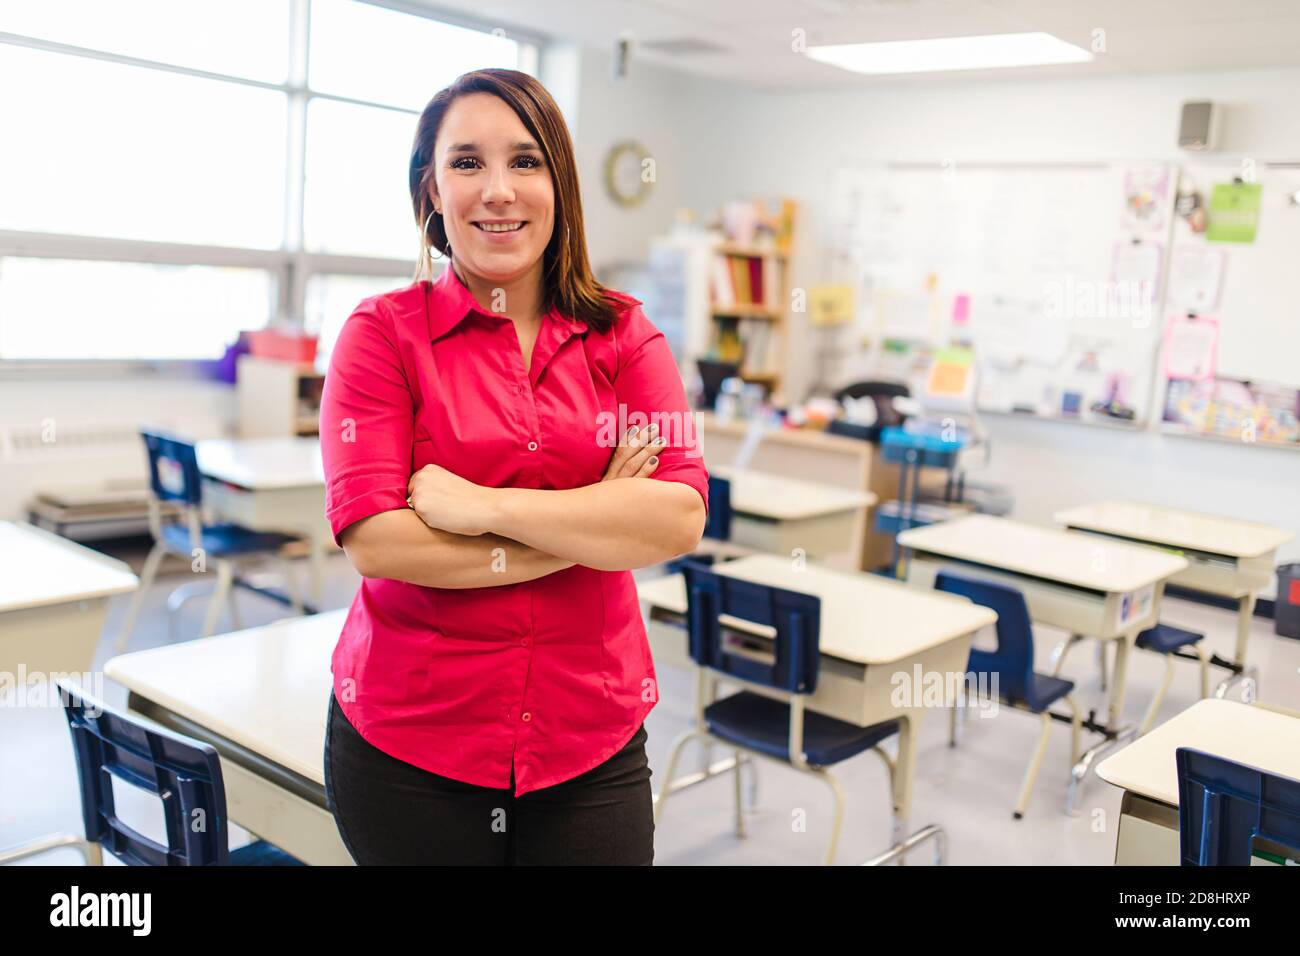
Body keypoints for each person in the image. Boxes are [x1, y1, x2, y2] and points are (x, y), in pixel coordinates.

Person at [318, 68, 708, 865]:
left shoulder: (629, 337)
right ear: (431, 187)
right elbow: (378, 544)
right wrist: (596, 517)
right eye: (467, 163)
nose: (498, 190)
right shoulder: (381, 336)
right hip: (412, 750)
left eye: (525, 161)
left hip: (589, 743)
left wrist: (485, 507)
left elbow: (677, 516)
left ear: (558, 184)